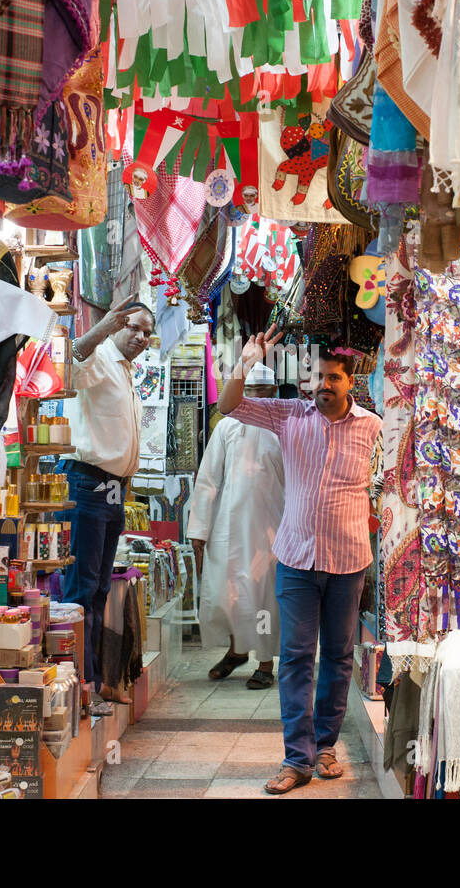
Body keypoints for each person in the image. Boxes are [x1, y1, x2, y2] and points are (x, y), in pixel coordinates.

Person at [218, 326, 382, 794]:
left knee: (339, 657)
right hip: (296, 559)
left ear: (350, 381)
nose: (324, 385)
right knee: (295, 657)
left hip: (349, 561)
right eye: (318, 377)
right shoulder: (288, 414)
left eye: (334, 377)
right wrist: (246, 361)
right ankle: (297, 758)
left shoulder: (372, 427)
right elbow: (228, 406)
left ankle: (325, 747)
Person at [59, 292, 154, 714]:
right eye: (134, 328)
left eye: (147, 333)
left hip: (113, 489)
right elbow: (72, 360)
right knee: (82, 588)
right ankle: (80, 688)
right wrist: (101, 329)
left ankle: (94, 683)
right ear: (118, 326)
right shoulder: (99, 359)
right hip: (87, 483)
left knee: (98, 587)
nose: (141, 338)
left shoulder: (126, 371)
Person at [187, 362, 286, 690]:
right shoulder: (226, 427)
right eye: (249, 391)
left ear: (273, 393)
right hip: (227, 526)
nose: (254, 398)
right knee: (229, 593)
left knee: (264, 598)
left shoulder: (284, 428)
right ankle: (236, 651)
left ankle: (265, 664)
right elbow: (208, 479)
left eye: (261, 392)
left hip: (269, 530)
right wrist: (199, 530)